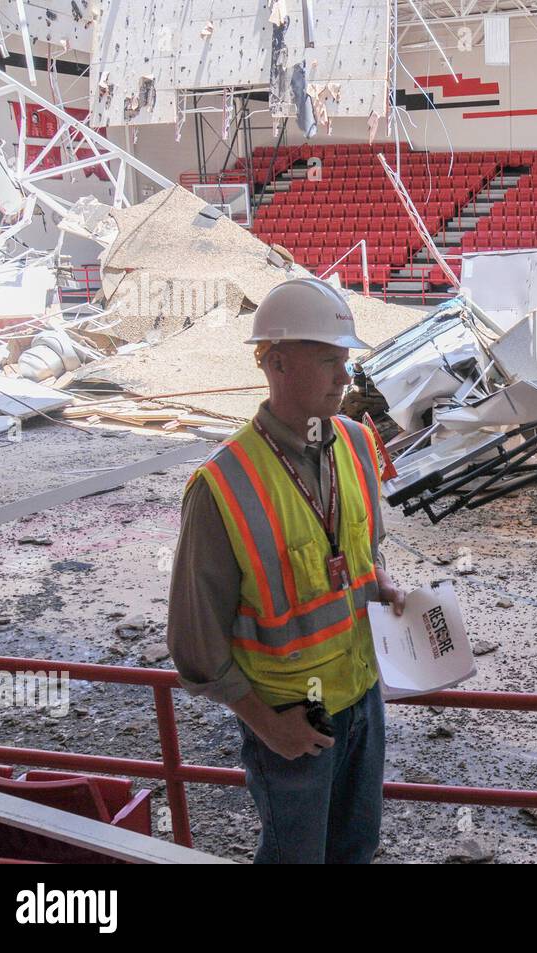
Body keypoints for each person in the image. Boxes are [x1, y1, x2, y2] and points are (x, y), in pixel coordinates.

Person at [167, 277, 404, 864]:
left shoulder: (353, 442)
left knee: (356, 849)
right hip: (291, 721)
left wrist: (378, 582)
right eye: (328, 360)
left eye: (344, 361)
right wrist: (267, 727)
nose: (344, 377)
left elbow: (360, 553)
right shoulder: (222, 487)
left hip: (363, 697)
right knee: (295, 856)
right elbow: (195, 641)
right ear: (275, 362)